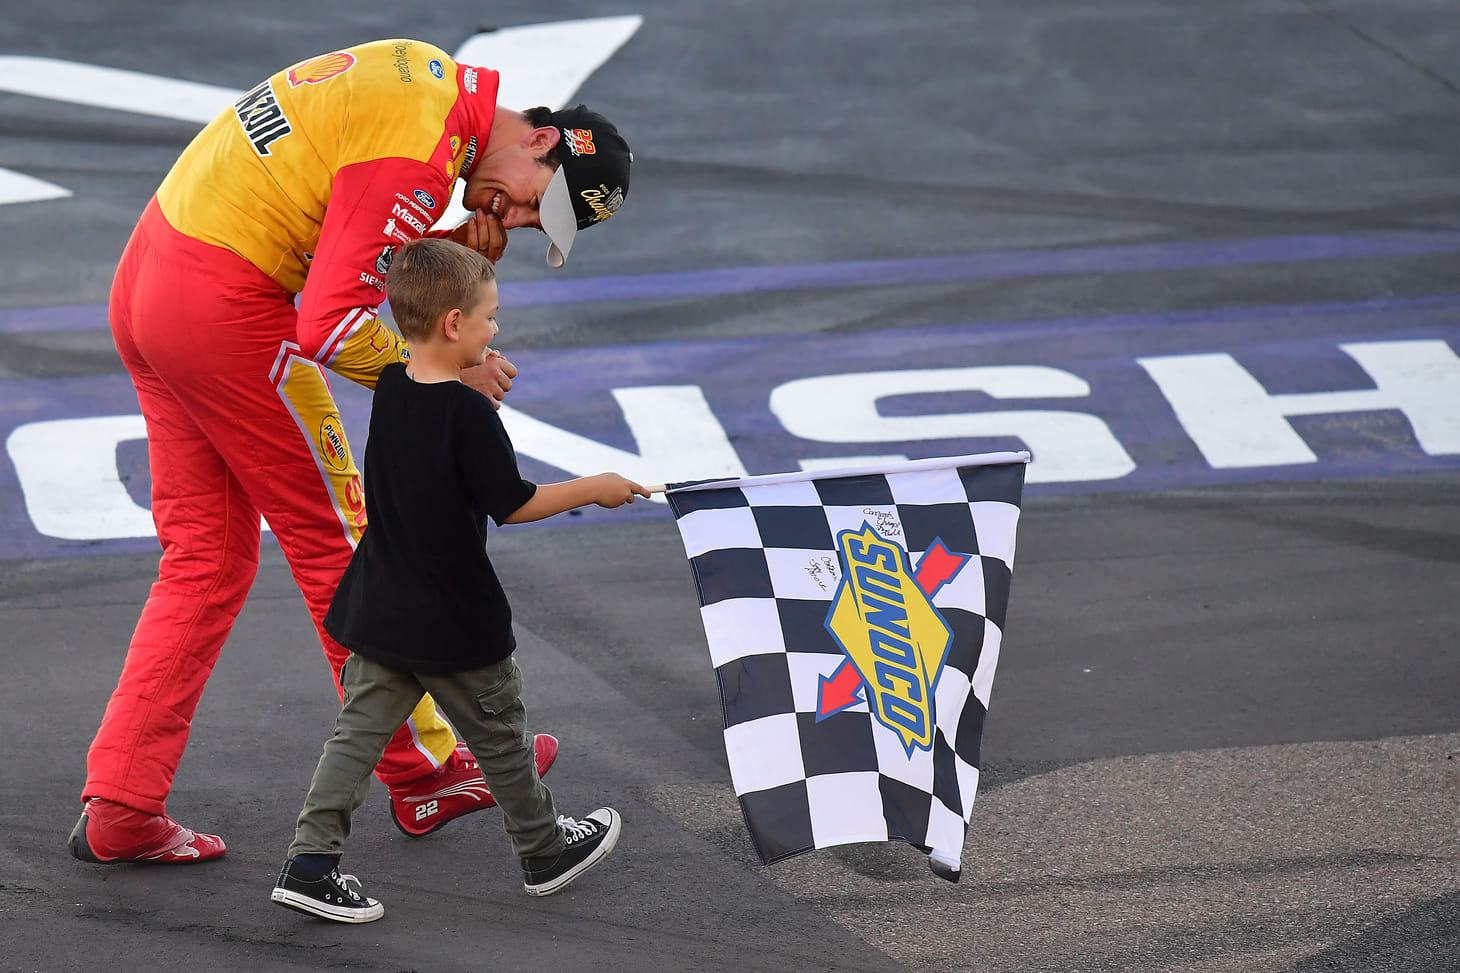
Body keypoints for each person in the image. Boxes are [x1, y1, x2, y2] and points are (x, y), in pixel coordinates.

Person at [69, 38, 634, 864]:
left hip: (153, 278)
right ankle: (426, 769)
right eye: (530, 204)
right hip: (227, 308)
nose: (511, 220)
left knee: (207, 557)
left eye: (530, 226)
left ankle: (121, 801)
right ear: (543, 139)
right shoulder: (426, 146)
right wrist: (455, 368)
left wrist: (441, 239)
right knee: (347, 539)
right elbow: (330, 323)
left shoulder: (427, 84)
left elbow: (337, 215)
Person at [271, 238, 643, 922]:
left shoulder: (389, 388)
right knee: (500, 735)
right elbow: (513, 502)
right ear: (453, 323)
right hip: (454, 618)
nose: (494, 329)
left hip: (381, 605)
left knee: (355, 735)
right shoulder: (469, 415)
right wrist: (598, 486)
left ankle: (311, 860)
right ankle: (542, 849)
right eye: (488, 317)